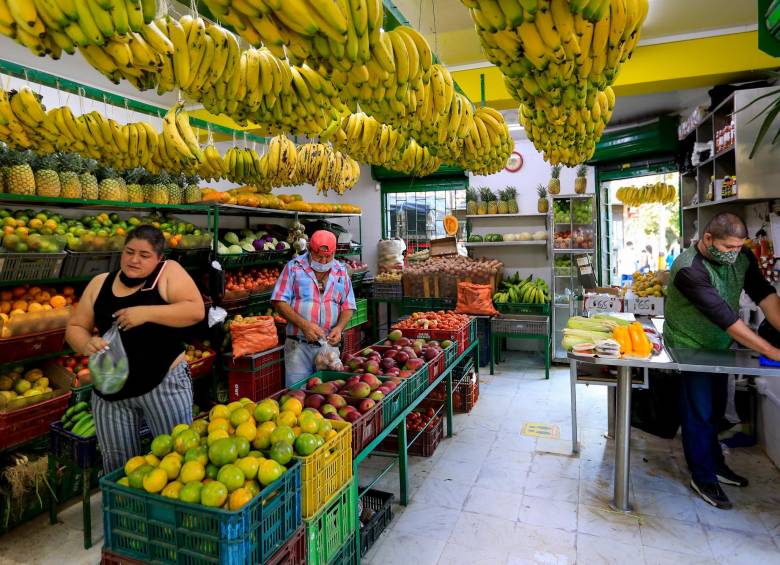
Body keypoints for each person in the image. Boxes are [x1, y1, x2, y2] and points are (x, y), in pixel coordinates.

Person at [664, 212, 780, 509]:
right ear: (708, 239)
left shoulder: (743, 258)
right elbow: (725, 317)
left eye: (738, 247)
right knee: (699, 412)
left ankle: (715, 464)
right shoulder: (688, 268)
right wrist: (771, 351)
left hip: (719, 346)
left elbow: (764, 294)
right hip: (689, 346)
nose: (734, 254)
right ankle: (702, 476)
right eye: (728, 247)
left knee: (716, 410)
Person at [66, 226, 205, 472]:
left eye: (144, 255)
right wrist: (86, 343)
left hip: (164, 386)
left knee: (176, 460)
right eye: (129, 252)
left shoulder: (168, 273)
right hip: (111, 391)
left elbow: (195, 310)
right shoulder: (100, 283)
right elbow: (76, 326)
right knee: (119, 466)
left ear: (159, 258)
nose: (134, 259)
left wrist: (147, 313)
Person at [271, 230, 356, 387]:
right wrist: (305, 326)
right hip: (299, 346)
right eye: (318, 256)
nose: (323, 261)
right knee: (298, 393)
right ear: (310, 250)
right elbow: (279, 301)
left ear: (334, 252)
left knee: (328, 393)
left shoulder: (341, 271)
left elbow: (348, 305)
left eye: (328, 256)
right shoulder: (293, 268)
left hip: (329, 347)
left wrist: (339, 328)